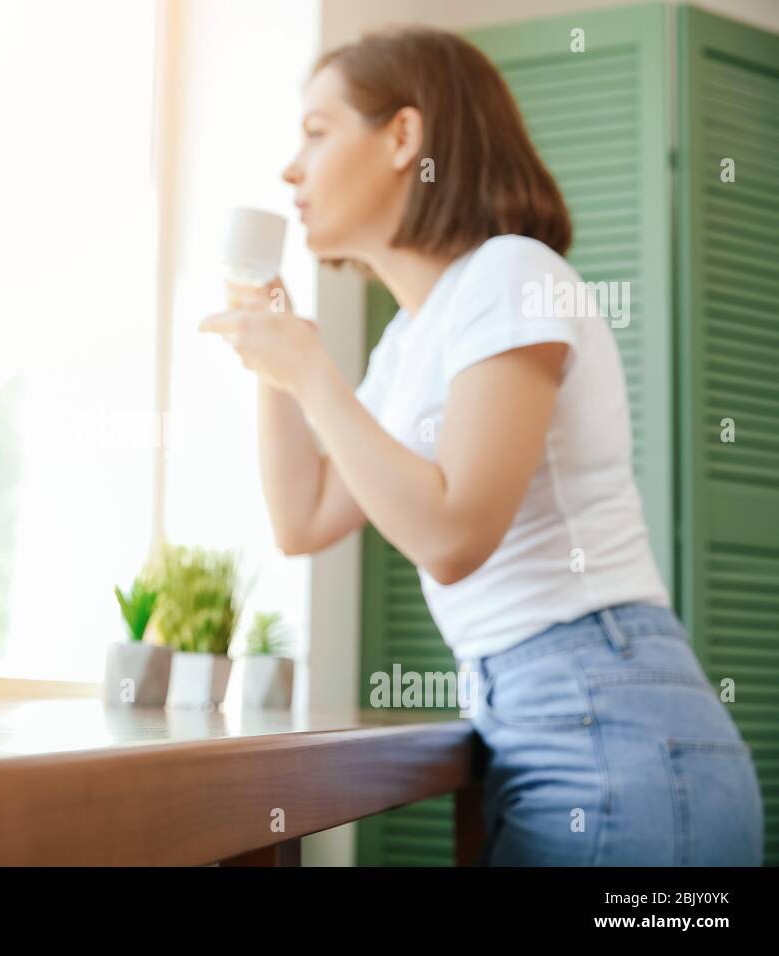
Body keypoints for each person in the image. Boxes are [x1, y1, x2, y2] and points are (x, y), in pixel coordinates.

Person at [200, 26, 763, 866]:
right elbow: (304, 519)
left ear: (404, 137)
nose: (291, 168)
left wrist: (314, 372)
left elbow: (454, 535)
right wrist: (273, 358)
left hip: (610, 717)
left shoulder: (513, 274)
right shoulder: (409, 343)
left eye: (317, 132)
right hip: (535, 718)